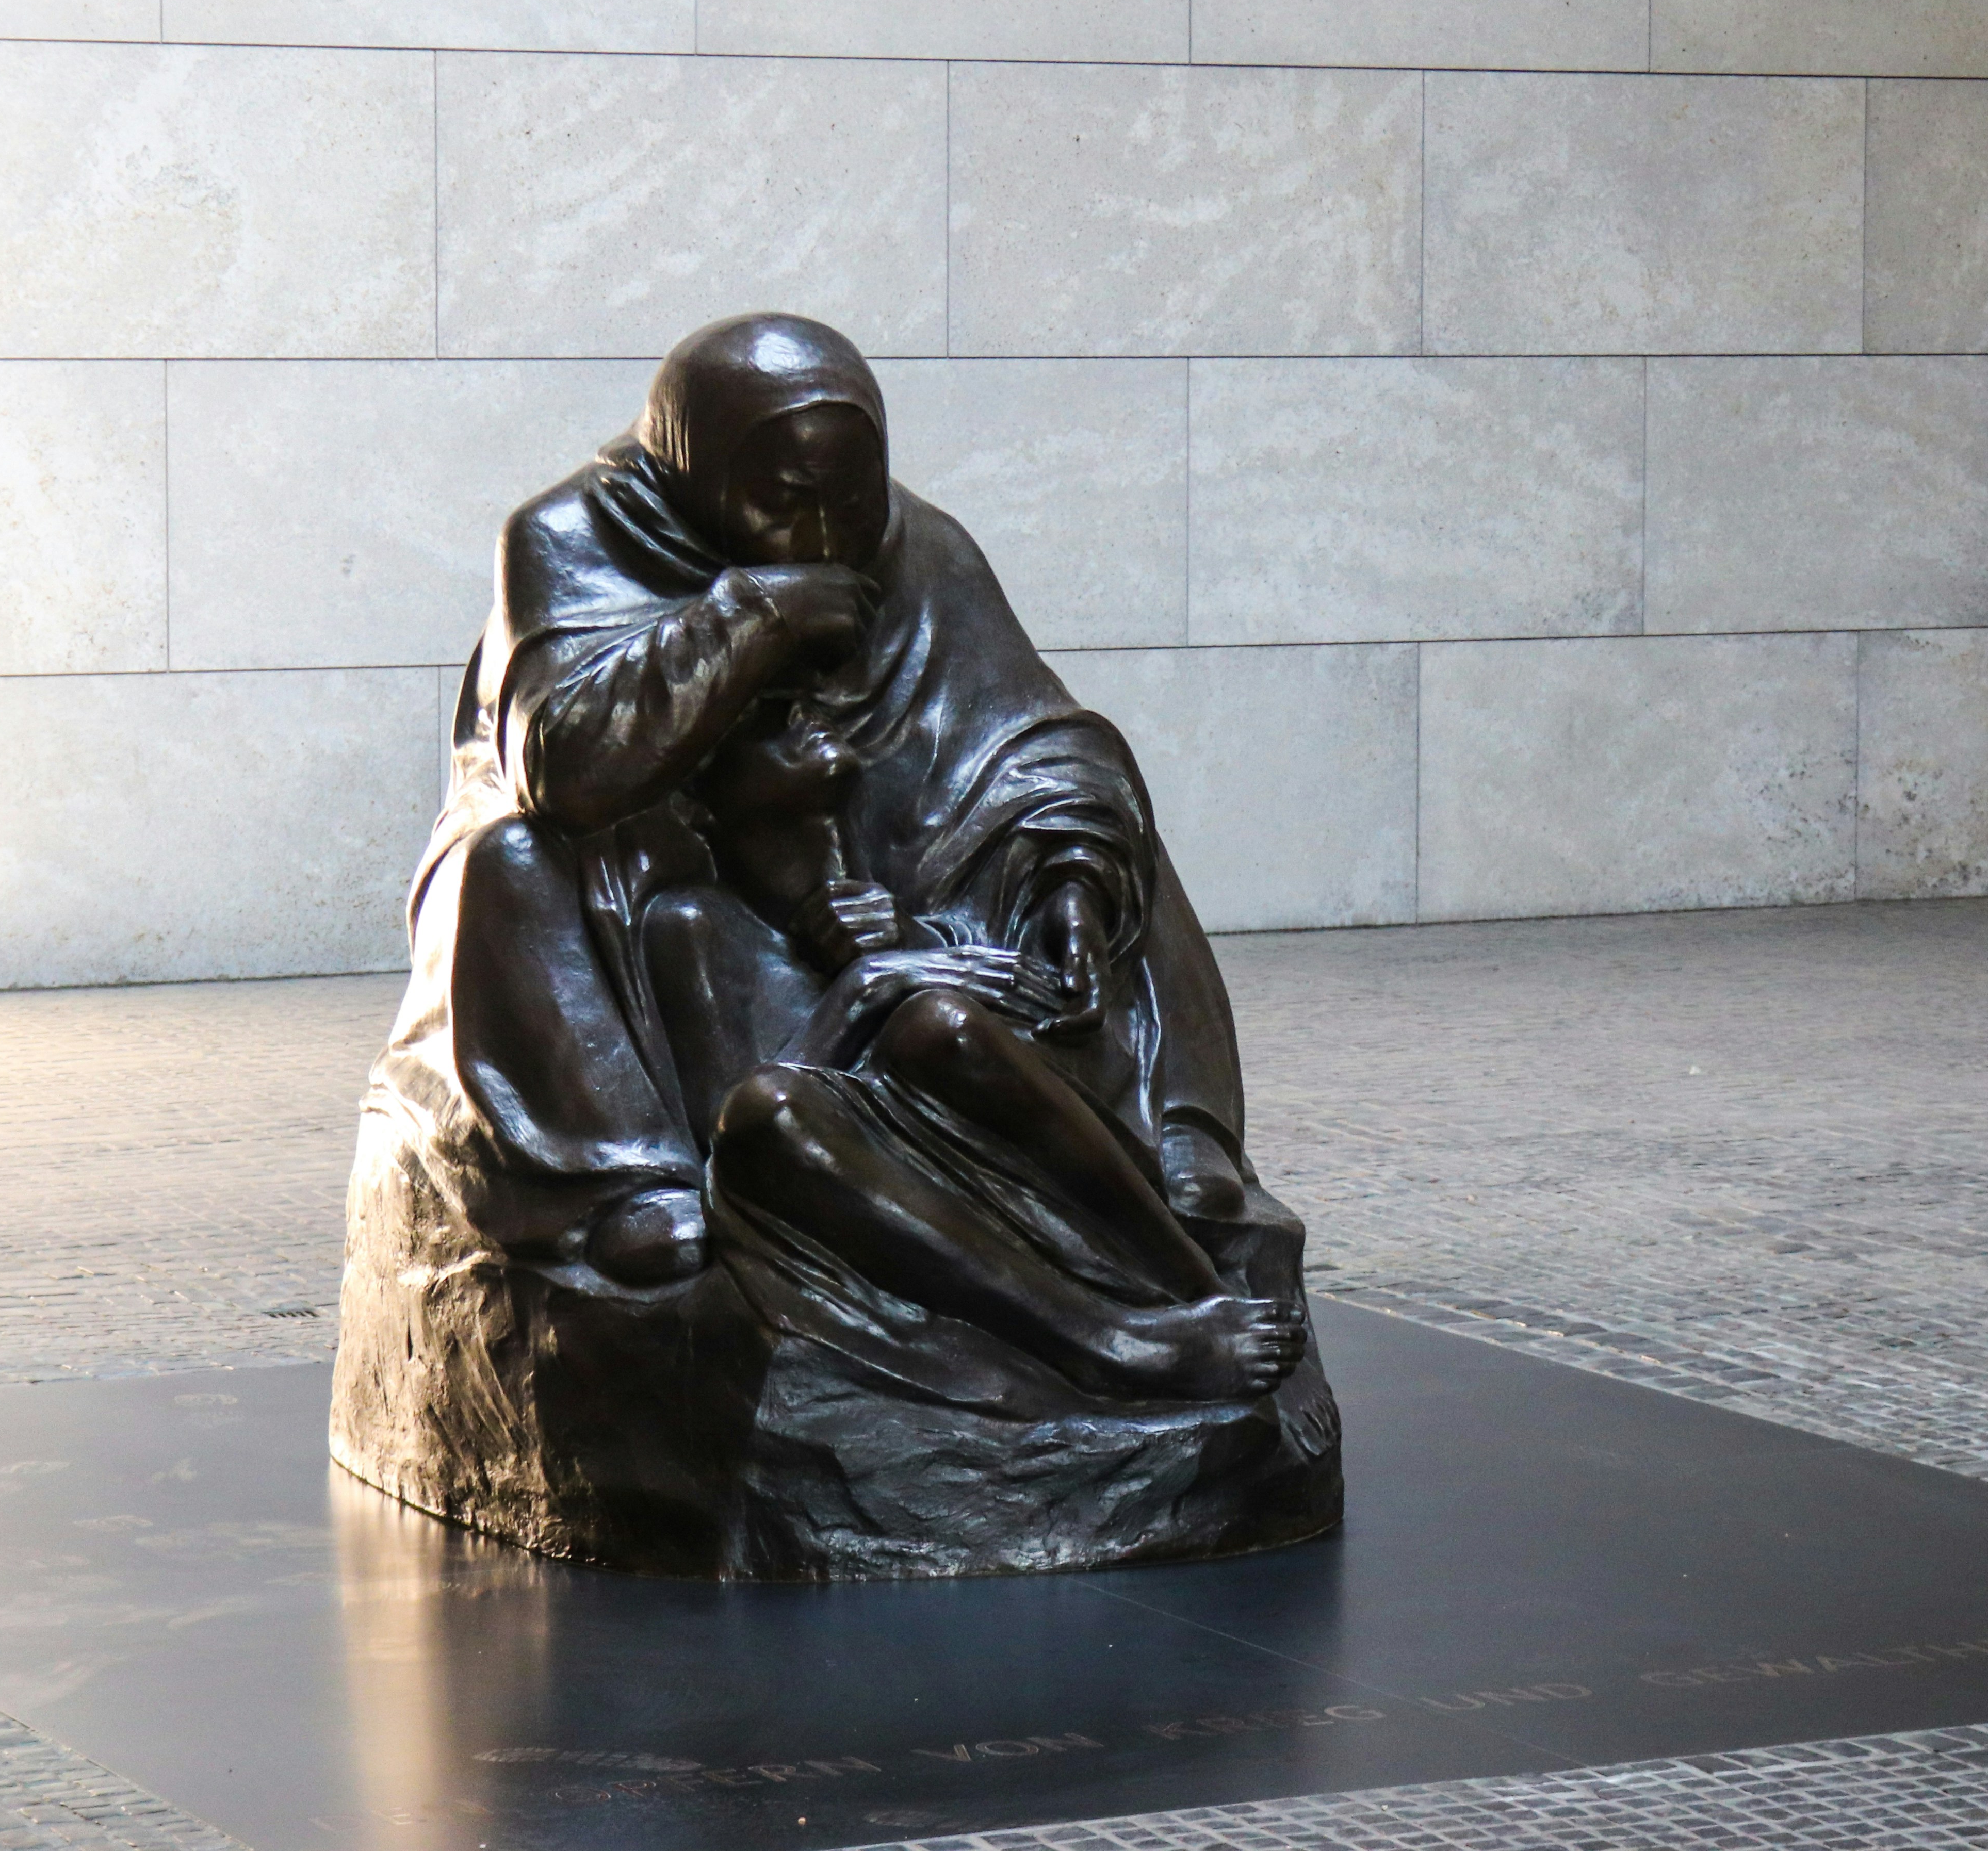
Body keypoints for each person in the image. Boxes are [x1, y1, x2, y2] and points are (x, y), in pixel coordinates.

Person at [345, 315, 1315, 1479]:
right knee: (505, 864)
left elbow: (1025, 733)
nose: (824, 532)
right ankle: (627, 1178)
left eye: (848, 501)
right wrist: (748, 622)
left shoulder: (919, 549)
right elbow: (567, 764)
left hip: (863, 886)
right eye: (784, 499)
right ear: (693, 476)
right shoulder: (567, 539)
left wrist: (1063, 869)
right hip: (644, 883)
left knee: (1095, 818)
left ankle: (1170, 1148)